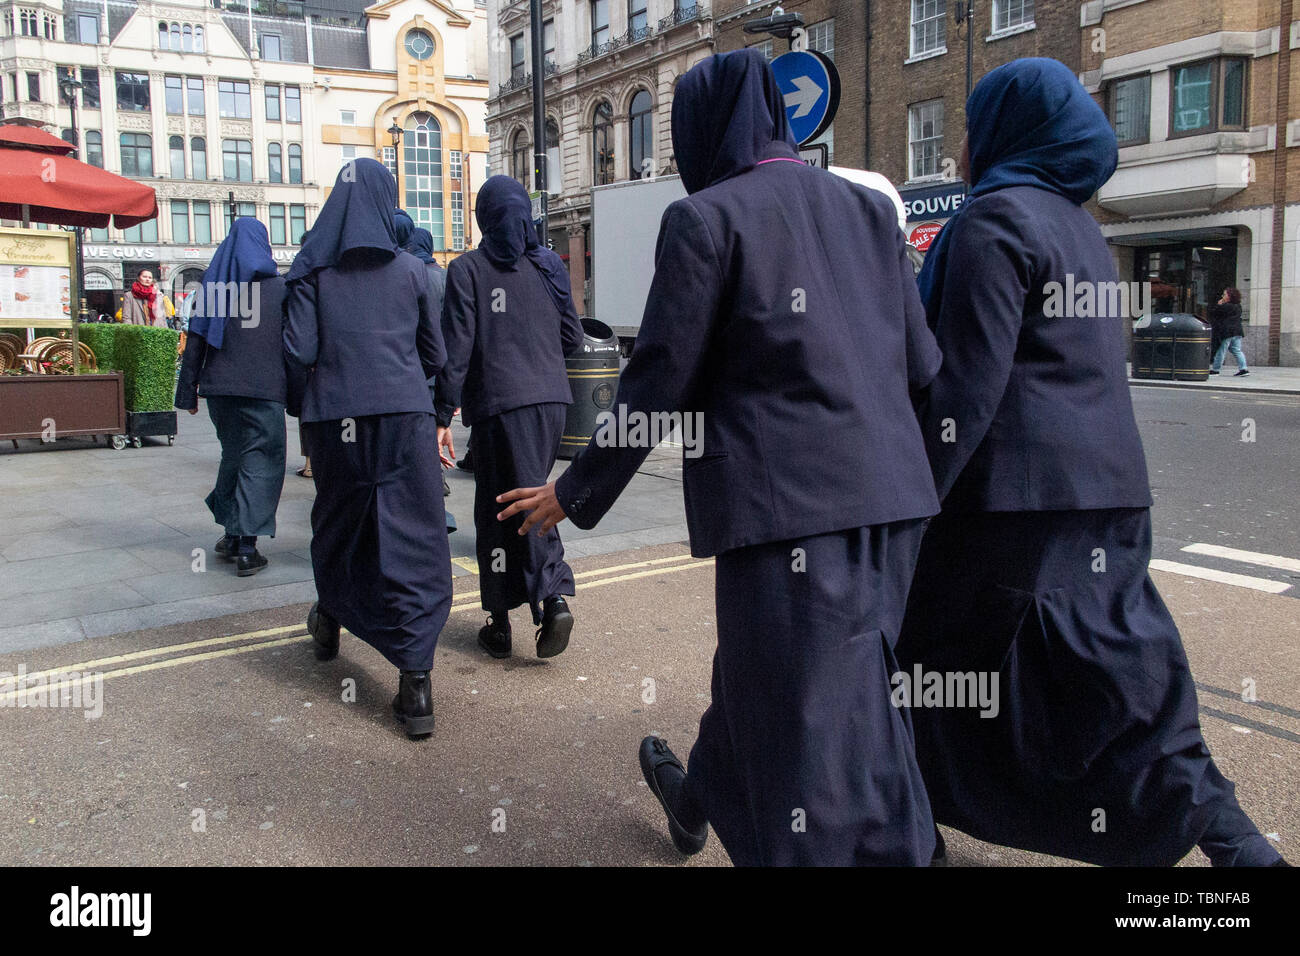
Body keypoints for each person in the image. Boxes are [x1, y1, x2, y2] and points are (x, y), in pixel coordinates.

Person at [496, 50, 943, 866]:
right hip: (894, 507)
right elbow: (923, 366)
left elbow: (657, 384)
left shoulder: (705, 220)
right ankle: (695, 791)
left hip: (786, 518)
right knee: (818, 692)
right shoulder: (869, 213)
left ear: (701, 129)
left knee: (808, 737)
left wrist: (573, 492)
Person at [898, 58, 1285, 867]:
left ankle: (909, 832)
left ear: (1008, 129)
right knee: (1124, 681)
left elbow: (967, 389)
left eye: (973, 124)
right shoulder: (1079, 228)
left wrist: (912, 503)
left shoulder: (993, 219)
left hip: (1008, 505)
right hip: (1108, 492)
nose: (962, 144)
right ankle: (1239, 847)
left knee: (918, 667)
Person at [284, 158, 451, 740]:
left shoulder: (312, 270)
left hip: (337, 420)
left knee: (340, 525)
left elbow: (300, 350)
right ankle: (416, 680)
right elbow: (435, 355)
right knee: (415, 536)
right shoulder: (411, 271)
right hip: (404, 416)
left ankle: (330, 621)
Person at [435, 175, 582, 661]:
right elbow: (572, 338)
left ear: (483, 216)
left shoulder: (468, 269)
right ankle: (507, 616)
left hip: (503, 404)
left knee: (510, 505)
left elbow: (455, 351)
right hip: (552, 403)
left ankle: (550, 598)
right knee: (512, 500)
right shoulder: (546, 266)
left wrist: (441, 413)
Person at [175, 219, 288, 577]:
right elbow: (294, 347)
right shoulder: (281, 288)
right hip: (264, 391)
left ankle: (230, 531)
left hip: (219, 391)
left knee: (234, 456)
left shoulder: (213, 287)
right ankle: (246, 547)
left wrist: (188, 392)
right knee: (261, 462)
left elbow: (195, 342)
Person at [407, 226, 457, 533]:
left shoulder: (407, 274)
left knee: (421, 435)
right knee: (434, 429)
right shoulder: (446, 277)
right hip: (443, 370)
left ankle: (433, 496)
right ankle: (435, 484)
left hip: (414, 371)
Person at [1209, 288, 1248, 376]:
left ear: (1230, 296)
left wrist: (1219, 305)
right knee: (1237, 350)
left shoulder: (1226, 306)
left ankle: (1215, 369)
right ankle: (1244, 369)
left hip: (1227, 332)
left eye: (1224, 294)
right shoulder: (1238, 306)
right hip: (1237, 331)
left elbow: (1214, 313)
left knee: (1221, 350)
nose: (1222, 296)